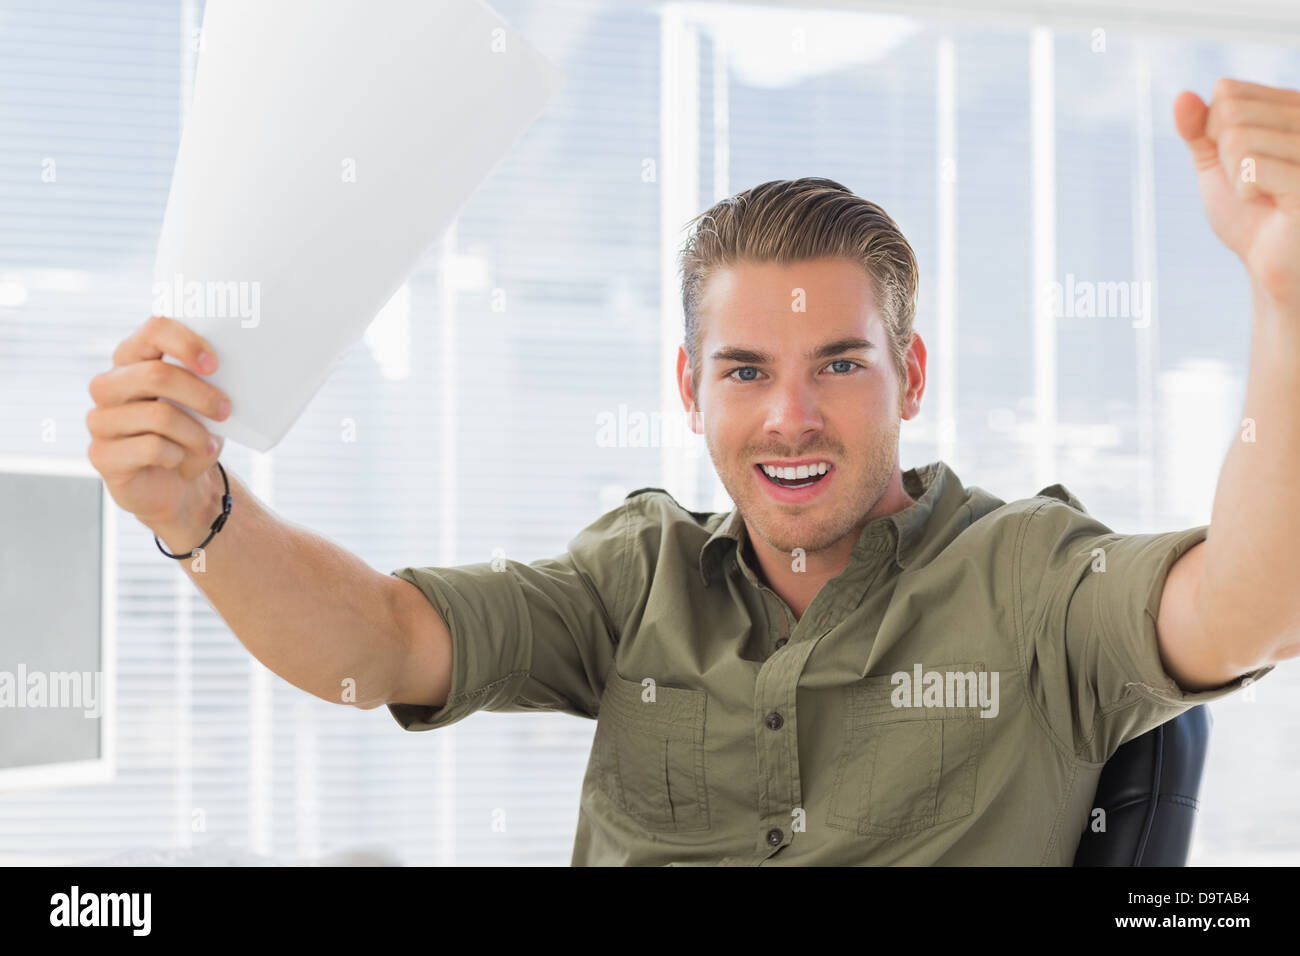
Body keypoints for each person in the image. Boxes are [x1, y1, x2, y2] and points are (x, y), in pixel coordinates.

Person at [86, 79, 1299, 865]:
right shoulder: (635, 576)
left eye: (836, 363)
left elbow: (1247, 606)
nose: (789, 417)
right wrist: (205, 514)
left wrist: (1286, 306)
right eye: (743, 370)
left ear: (910, 375)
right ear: (688, 388)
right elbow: (387, 642)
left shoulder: (1027, 576)